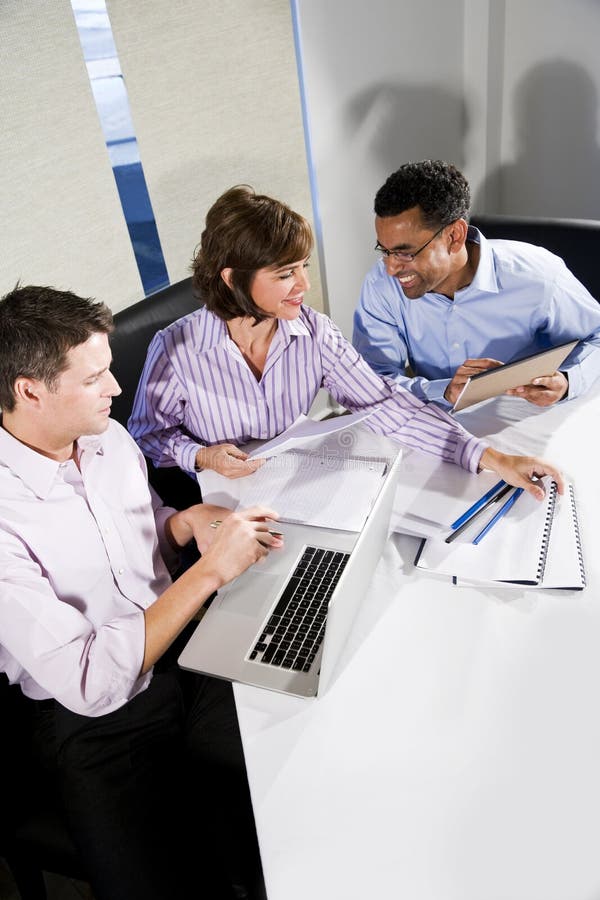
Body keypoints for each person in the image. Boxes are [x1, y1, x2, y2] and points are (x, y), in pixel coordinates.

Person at [0, 284, 282, 900]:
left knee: (290, 813)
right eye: (97, 376)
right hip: (93, 719)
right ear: (30, 390)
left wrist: (183, 525)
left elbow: (143, 523)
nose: (116, 388)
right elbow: (90, 680)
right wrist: (208, 574)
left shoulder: (108, 440)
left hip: (186, 653)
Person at [129, 184, 563, 502]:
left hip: (295, 489)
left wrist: (495, 458)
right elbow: (147, 436)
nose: (304, 284)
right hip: (222, 505)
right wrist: (201, 456)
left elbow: (387, 407)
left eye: (302, 266)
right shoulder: (175, 349)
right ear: (232, 278)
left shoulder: (314, 333)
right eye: (285, 274)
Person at [352, 159, 600, 409]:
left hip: (526, 417)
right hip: (437, 423)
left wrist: (568, 380)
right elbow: (372, 380)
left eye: (405, 253)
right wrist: (443, 391)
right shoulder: (381, 284)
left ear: (454, 236)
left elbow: (597, 336)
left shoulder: (540, 276)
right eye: (385, 250)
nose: (391, 268)